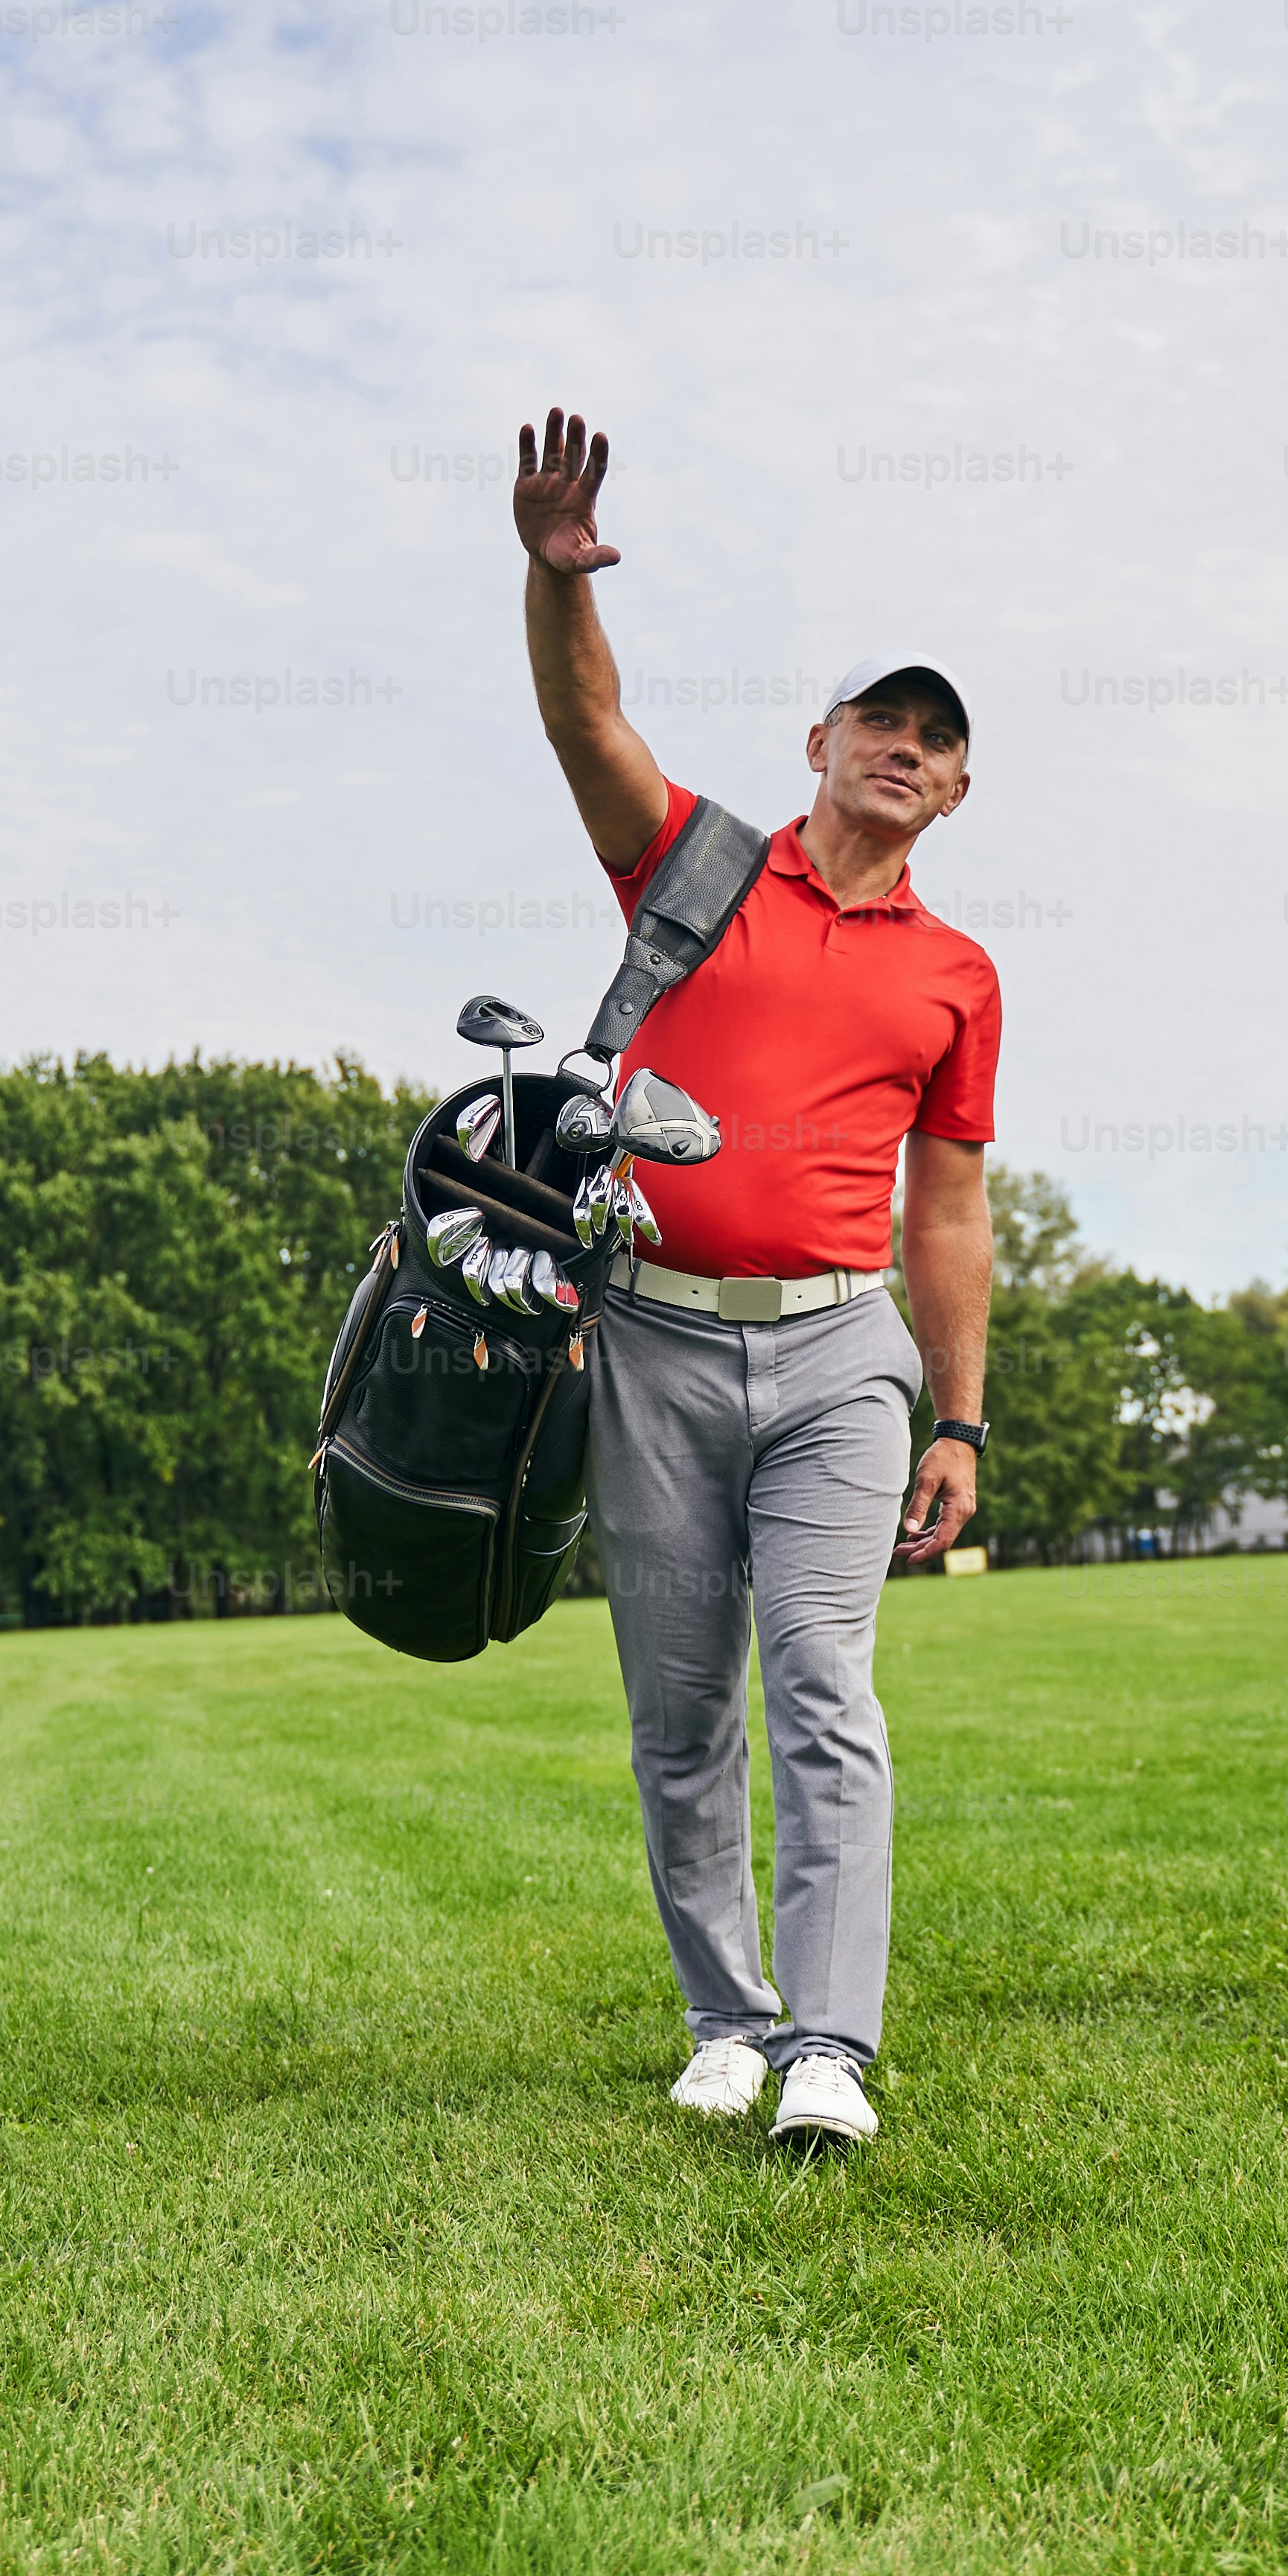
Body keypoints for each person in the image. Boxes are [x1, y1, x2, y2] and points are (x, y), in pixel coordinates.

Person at [510, 406, 999, 2149]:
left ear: (955, 789)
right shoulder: (701, 864)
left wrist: (964, 1413)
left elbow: (946, 1214)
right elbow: (586, 720)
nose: (905, 747)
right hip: (646, 1346)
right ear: (823, 738)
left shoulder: (959, 973)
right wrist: (556, 575)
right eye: (884, 717)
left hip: (838, 1357)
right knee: (678, 1706)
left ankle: (831, 2049)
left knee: (822, 1680)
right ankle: (726, 2015)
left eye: (937, 740)